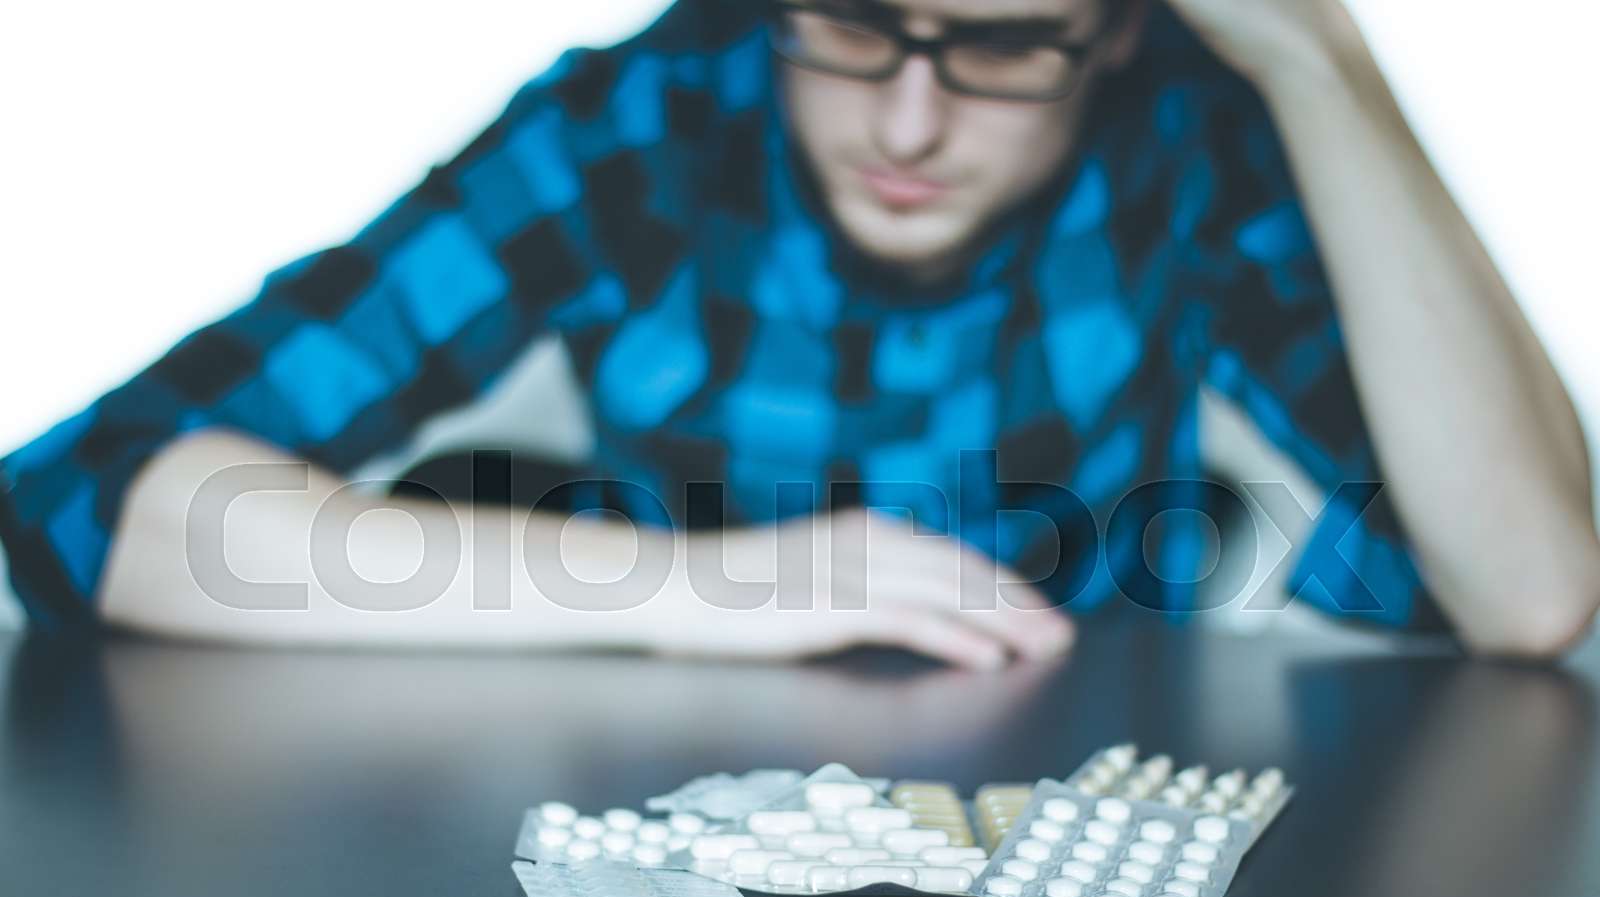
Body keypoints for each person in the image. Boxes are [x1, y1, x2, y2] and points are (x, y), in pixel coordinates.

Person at [1, 0, 1595, 666]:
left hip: (1085, 871)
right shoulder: (639, 123)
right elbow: (96, 499)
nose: (911, 115)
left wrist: (1320, 58)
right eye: (850, 20)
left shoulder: (1188, 148)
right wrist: (699, 587)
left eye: (1003, 42)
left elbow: (1528, 590)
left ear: (1115, 32)